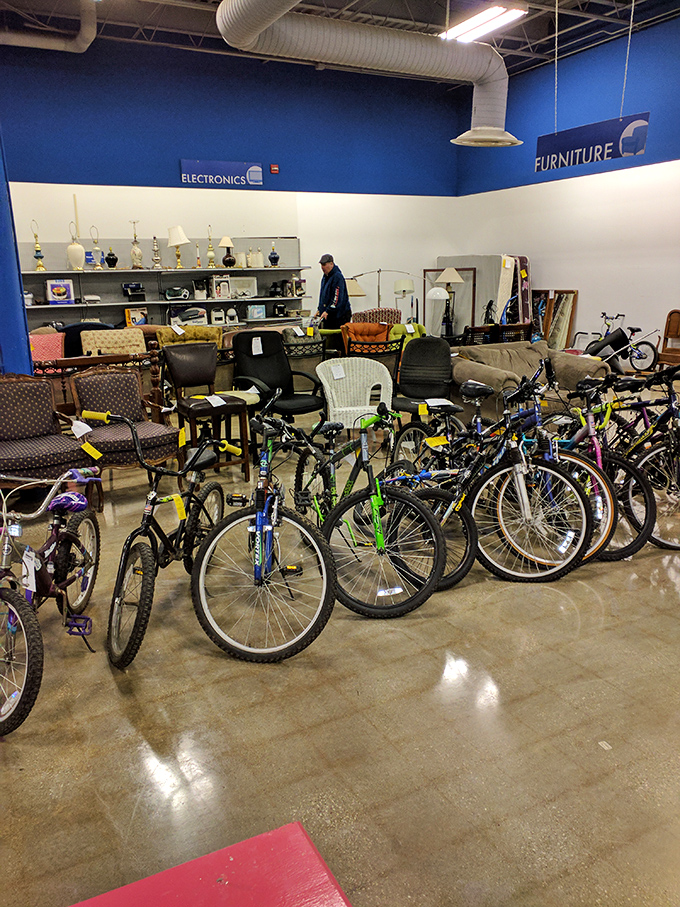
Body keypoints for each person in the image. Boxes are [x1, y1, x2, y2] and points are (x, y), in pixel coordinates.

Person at [316, 254, 351, 329]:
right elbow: (323, 295)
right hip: (328, 315)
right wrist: (319, 309)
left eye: (324, 264)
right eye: (321, 265)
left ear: (331, 264)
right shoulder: (325, 277)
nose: (322, 267)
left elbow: (336, 298)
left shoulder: (337, 276)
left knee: (336, 339)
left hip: (339, 316)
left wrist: (328, 311)